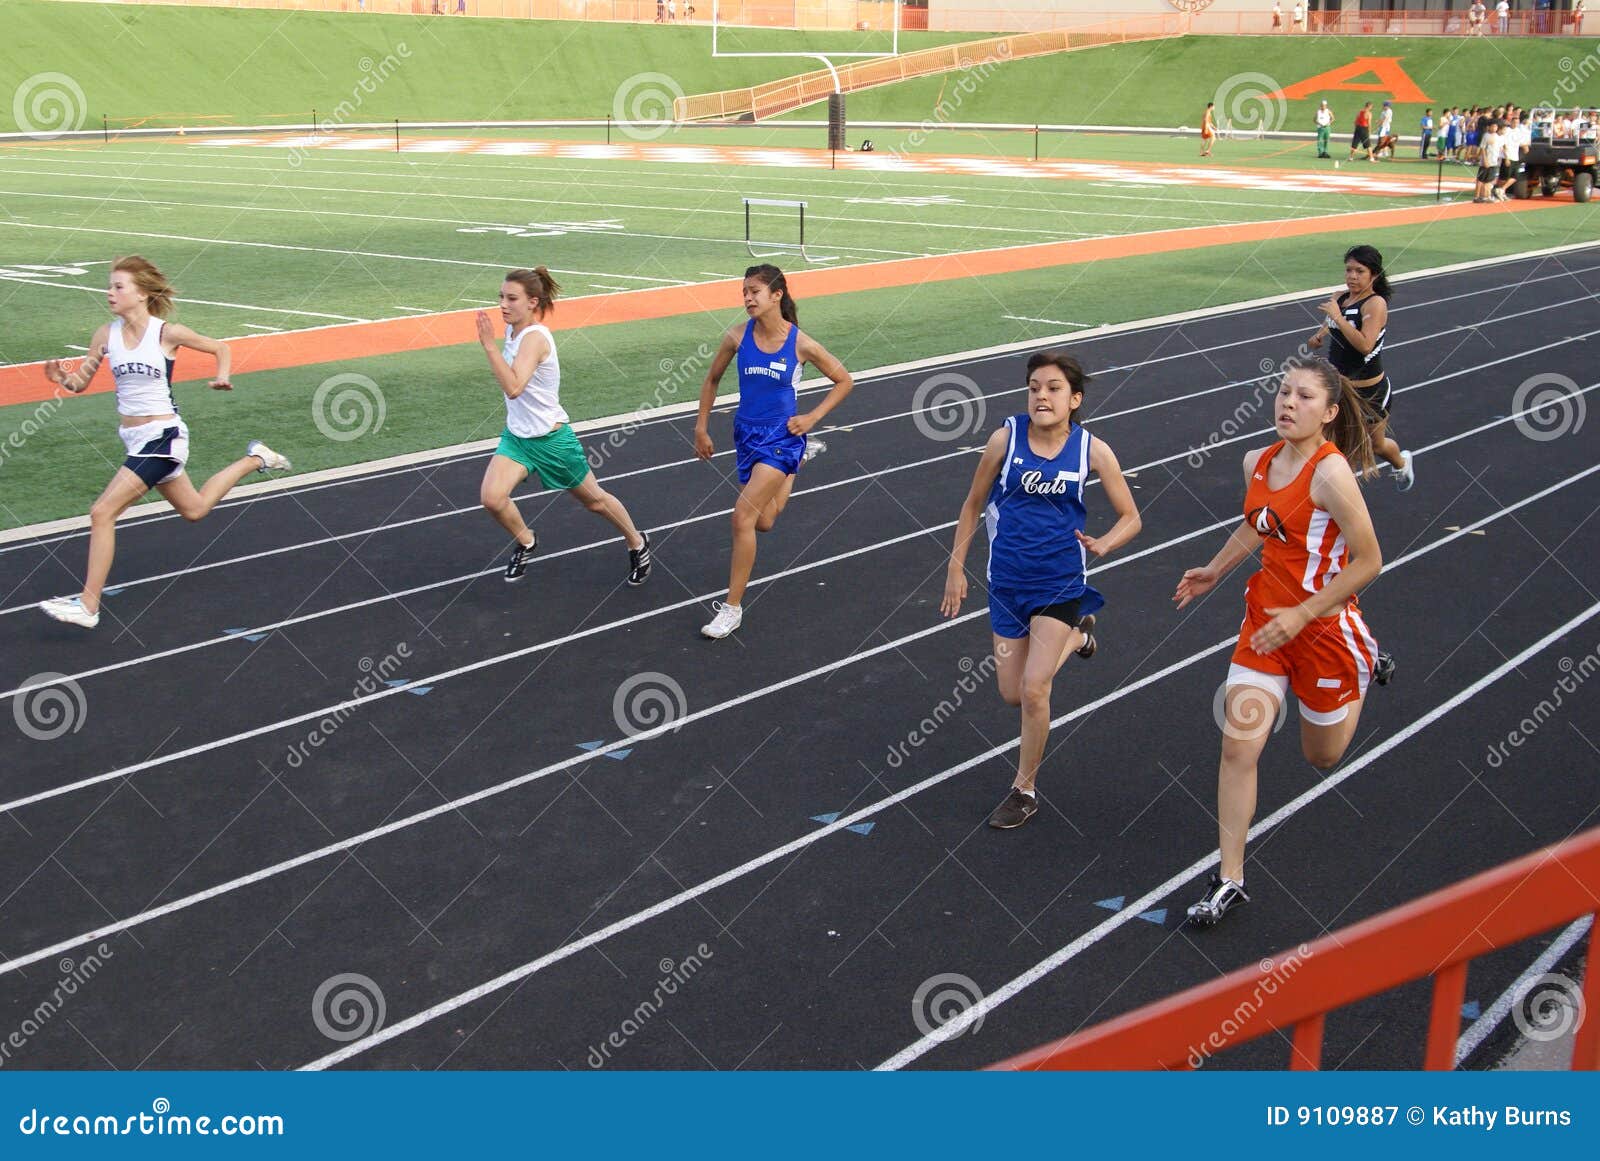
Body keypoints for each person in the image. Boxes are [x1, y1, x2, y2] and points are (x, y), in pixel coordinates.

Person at [1176, 358, 1391, 926]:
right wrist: (1216, 569)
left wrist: (1303, 614)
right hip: (1264, 625)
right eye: (1282, 392)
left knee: (1321, 756)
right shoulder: (1258, 460)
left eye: (1303, 396)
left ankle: (1365, 656)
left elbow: (1369, 561)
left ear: (1330, 412)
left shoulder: (1330, 474)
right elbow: (1259, 521)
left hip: (1321, 631)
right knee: (1237, 745)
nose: (1288, 403)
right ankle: (1229, 878)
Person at [941, 351, 1141, 830]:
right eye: (1034, 387)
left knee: (1034, 689)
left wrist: (1105, 543)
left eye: (1052, 388)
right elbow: (971, 507)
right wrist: (955, 568)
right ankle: (1081, 637)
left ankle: (1024, 789)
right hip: (1008, 583)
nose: (1041, 396)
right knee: (1011, 692)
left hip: (1059, 582)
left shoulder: (1093, 450)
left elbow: (1132, 517)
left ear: (1074, 399)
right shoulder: (1004, 439)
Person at [39, 256, 291, 630]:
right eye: (109, 286)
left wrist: (222, 377)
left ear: (141, 294)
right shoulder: (103, 336)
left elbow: (220, 347)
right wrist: (62, 378)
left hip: (164, 437)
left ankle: (89, 606)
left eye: (118, 286)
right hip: (135, 440)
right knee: (195, 510)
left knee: (101, 512)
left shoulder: (166, 333)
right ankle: (257, 458)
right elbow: (80, 384)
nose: (109, 293)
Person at [693, 265, 853, 640]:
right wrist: (701, 426)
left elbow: (844, 380)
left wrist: (812, 417)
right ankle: (795, 467)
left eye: (754, 291)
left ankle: (731, 609)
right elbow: (712, 380)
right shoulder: (736, 337)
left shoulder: (800, 343)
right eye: (744, 292)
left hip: (781, 437)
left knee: (741, 518)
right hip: (746, 437)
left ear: (777, 295)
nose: (747, 298)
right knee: (763, 522)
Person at [476, 268, 652, 587]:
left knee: (594, 501)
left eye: (511, 298)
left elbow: (514, 387)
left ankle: (637, 542)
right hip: (518, 439)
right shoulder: (513, 332)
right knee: (492, 498)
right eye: (500, 296)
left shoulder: (535, 338)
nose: (503, 304)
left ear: (532, 302)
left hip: (552, 442)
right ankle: (527, 541)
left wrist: (488, 347)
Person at [1307, 244, 1414, 488]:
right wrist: (1320, 334)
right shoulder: (1340, 298)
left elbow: (1365, 345)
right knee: (1327, 439)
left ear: (1373, 275)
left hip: (1369, 391)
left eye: (1359, 271)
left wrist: (1336, 317)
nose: (1352, 276)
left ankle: (1402, 463)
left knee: (1377, 445)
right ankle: (1325, 493)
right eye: (1348, 270)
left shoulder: (1375, 304)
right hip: (1339, 387)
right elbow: (1333, 323)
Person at [1476, 117, 1504, 202]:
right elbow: (1483, 149)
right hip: (1486, 161)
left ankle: (1486, 195)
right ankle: (1478, 196)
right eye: (1492, 126)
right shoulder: (1486, 136)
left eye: (1496, 127)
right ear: (1489, 127)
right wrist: (1484, 160)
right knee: (1481, 179)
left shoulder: (1497, 137)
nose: (1494, 128)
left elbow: (1499, 149)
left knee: (1489, 180)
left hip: (1493, 161)